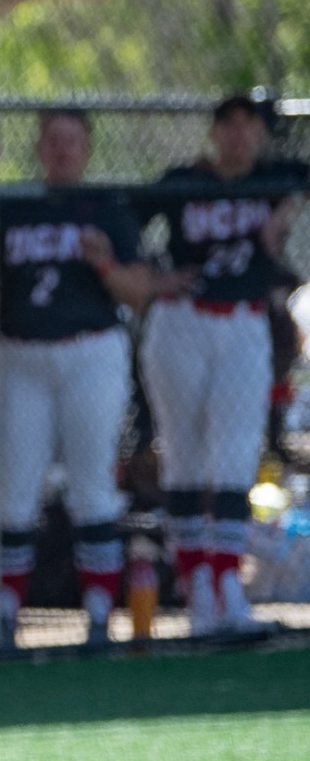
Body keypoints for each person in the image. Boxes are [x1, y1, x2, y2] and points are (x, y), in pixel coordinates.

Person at [138, 93, 306, 635]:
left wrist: (288, 208)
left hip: (243, 323)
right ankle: (198, 595)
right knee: (185, 457)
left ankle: (226, 587)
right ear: (213, 132)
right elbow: (123, 225)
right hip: (181, 322)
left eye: (248, 124)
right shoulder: (182, 179)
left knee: (234, 457)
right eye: (228, 124)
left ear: (259, 133)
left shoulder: (278, 175)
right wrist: (154, 277)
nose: (238, 134)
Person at [0, 109, 155, 648]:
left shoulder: (108, 209)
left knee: (93, 486)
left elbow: (140, 294)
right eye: (53, 140)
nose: (62, 149)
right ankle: (3, 611)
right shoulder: (12, 209)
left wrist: (106, 265)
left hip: (90, 352)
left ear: (86, 148)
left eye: (72, 140)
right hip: (20, 355)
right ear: (38, 148)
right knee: (15, 491)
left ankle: (96, 614)